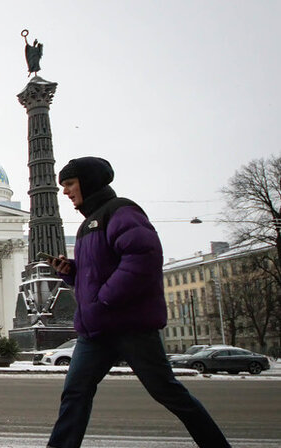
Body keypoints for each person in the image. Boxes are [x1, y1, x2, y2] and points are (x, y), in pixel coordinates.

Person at [46, 157, 230, 448]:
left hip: (129, 327)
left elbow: (143, 259)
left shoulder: (121, 212)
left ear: (89, 181)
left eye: (69, 184)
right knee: (74, 394)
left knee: (167, 392)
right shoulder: (86, 226)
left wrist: (105, 299)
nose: (66, 192)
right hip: (95, 332)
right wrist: (73, 273)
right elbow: (96, 274)